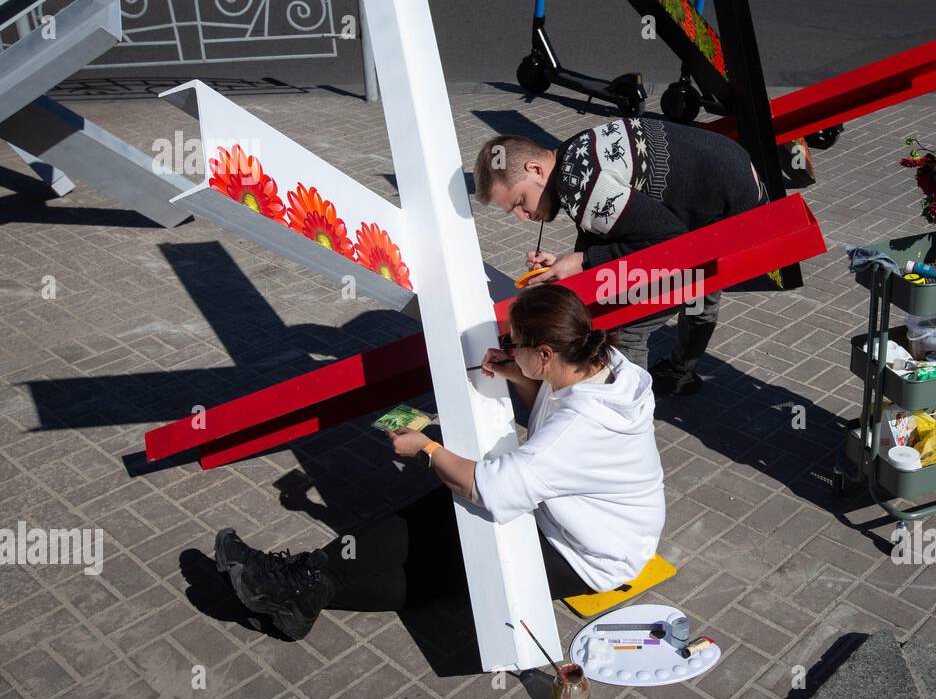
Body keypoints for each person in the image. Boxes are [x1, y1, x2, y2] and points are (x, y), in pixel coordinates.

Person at [212, 285, 665, 642]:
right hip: (584, 524)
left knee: (444, 552)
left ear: (546, 354)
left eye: (514, 341)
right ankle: (299, 585)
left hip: (589, 556)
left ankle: (295, 586)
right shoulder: (601, 363)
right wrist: (515, 373)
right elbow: (552, 409)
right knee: (432, 519)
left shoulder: (579, 429)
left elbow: (490, 487)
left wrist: (426, 449)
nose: (507, 344)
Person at [473, 116, 767, 395]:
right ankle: (681, 371)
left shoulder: (579, 186)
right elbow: (612, 224)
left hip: (735, 220)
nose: (524, 217)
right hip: (738, 183)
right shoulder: (573, 151)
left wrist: (583, 261)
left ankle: (628, 423)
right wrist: (574, 262)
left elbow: (670, 242)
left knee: (626, 325)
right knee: (698, 287)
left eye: (520, 202)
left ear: (535, 169)